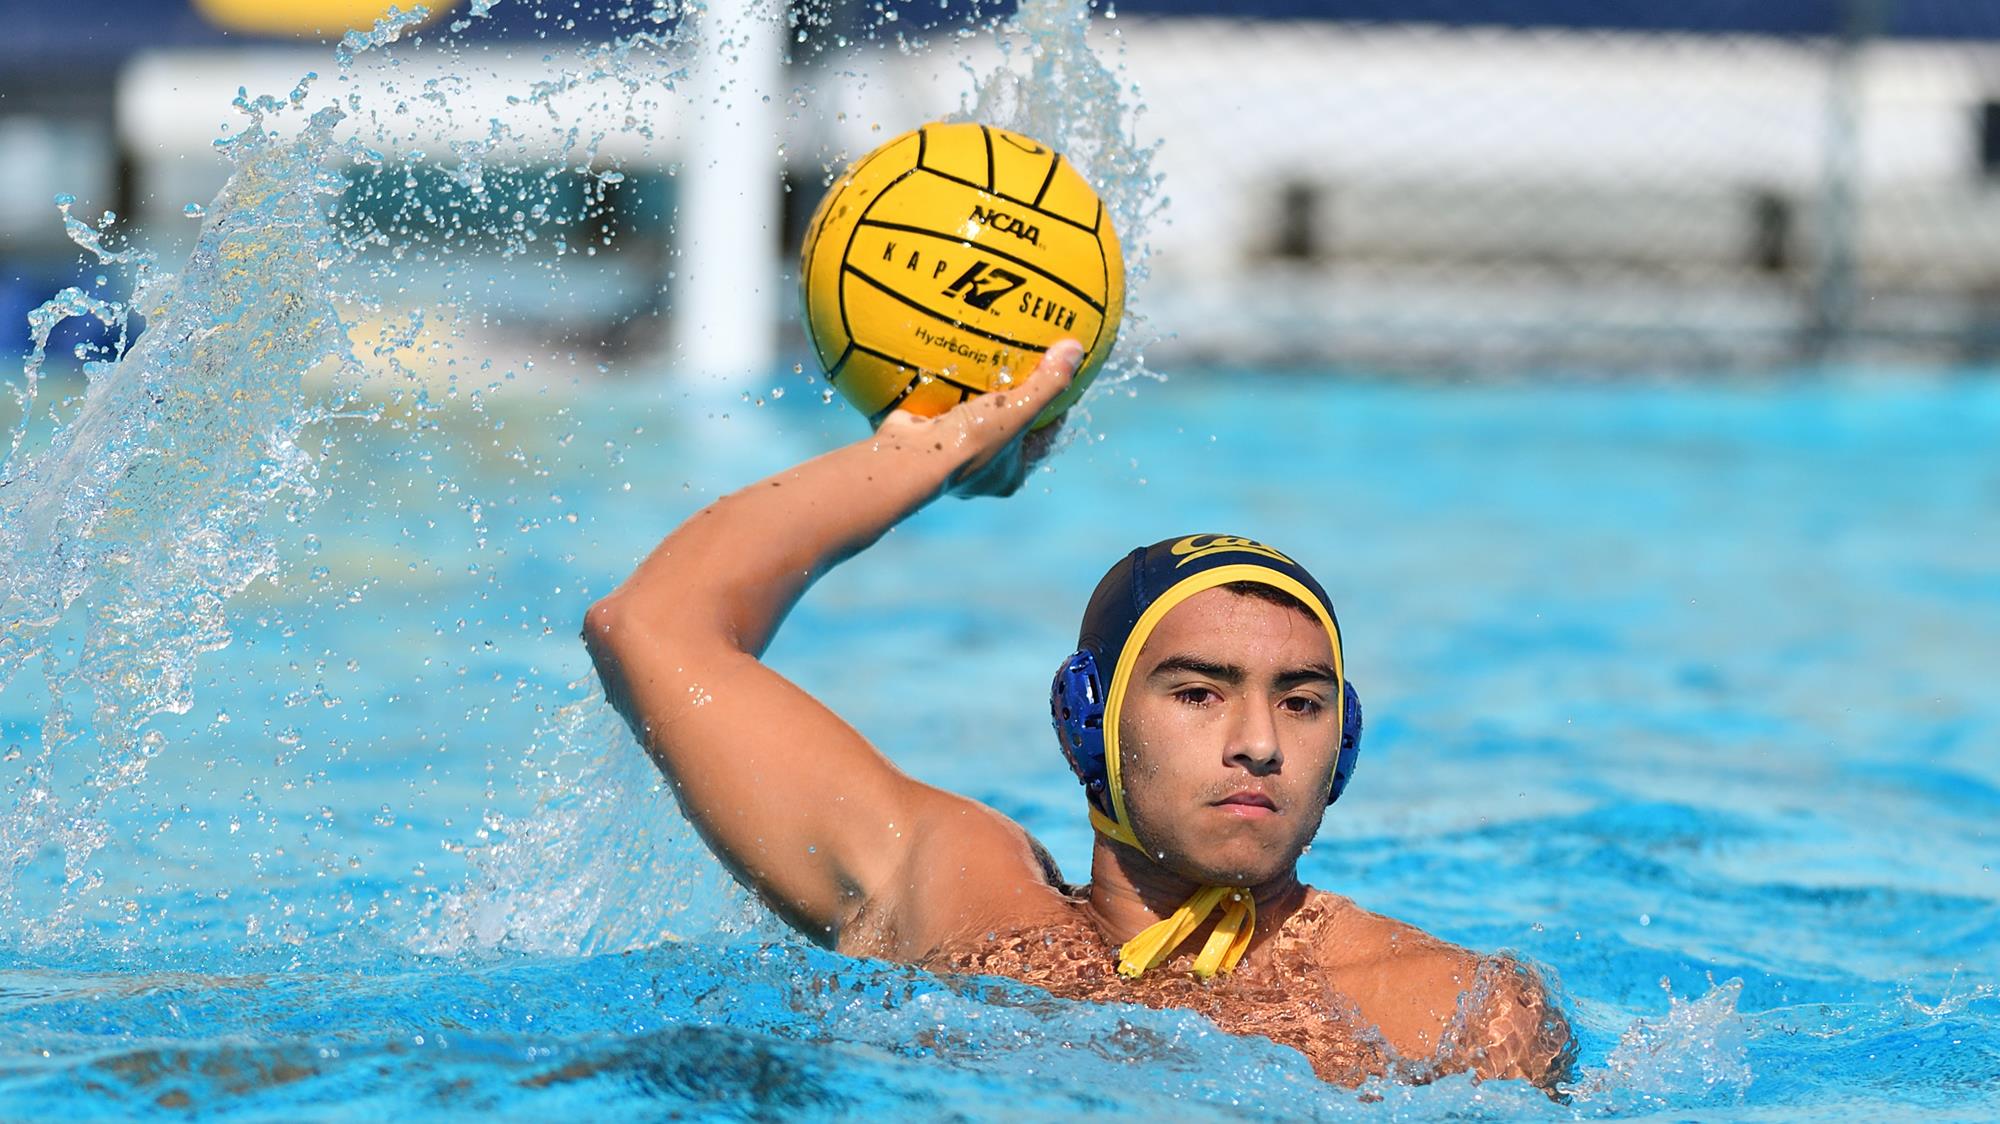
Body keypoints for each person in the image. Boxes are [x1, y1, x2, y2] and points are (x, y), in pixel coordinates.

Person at [583, 340, 1575, 1090]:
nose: (1259, 742)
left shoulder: (1451, 1006)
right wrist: (934, 447)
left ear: (1343, 743)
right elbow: (651, 625)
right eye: (1197, 691)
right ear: (1084, 720)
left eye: (1301, 701)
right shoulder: (946, 892)